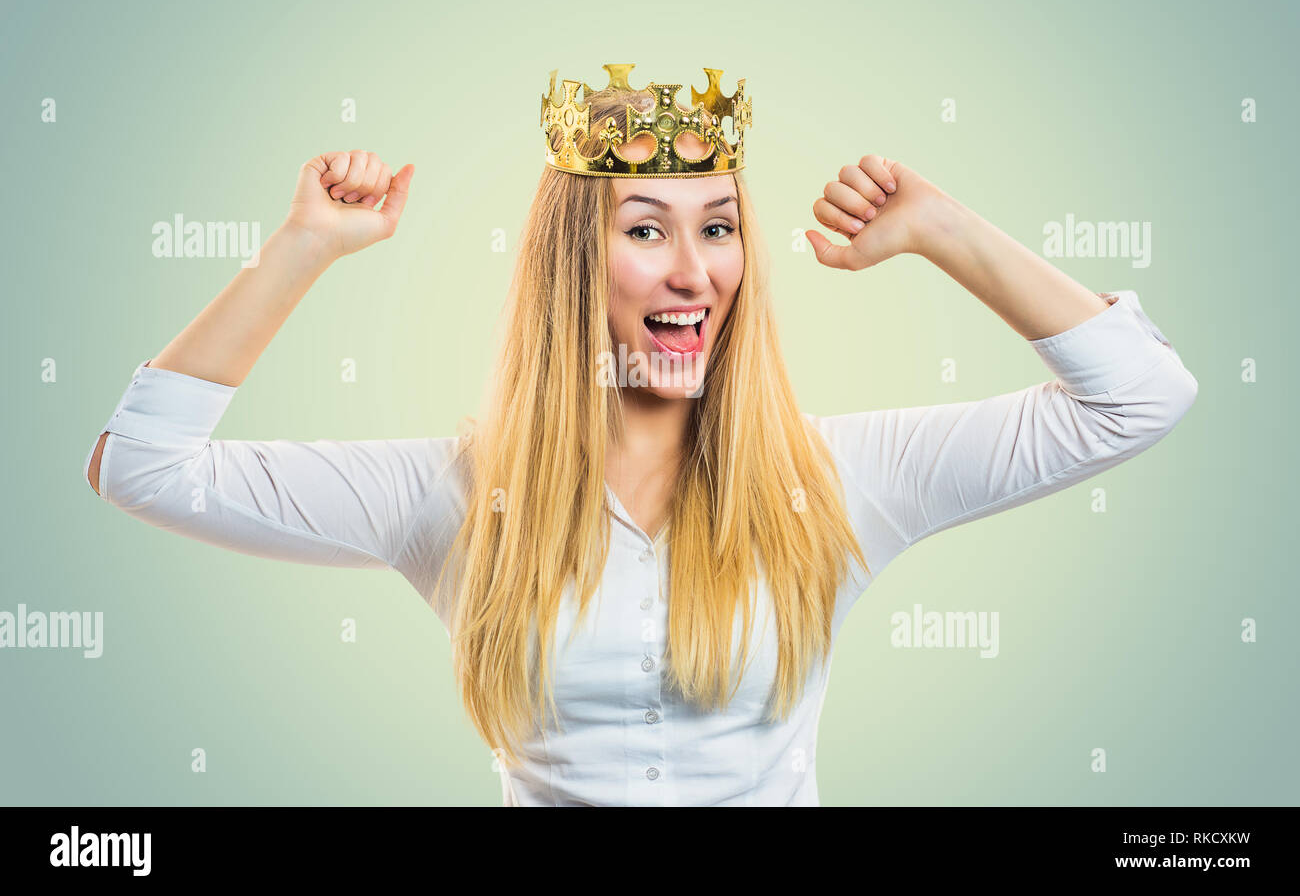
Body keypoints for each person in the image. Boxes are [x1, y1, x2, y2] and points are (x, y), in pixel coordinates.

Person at [84, 64, 1197, 806]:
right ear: (577, 262)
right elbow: (142, 463)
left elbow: (1139, 395)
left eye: (717, 227)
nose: (691, 268)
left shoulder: (843, 480)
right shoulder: (456, 495)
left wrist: (945, 229)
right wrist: (303, 247)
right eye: (645, 230)